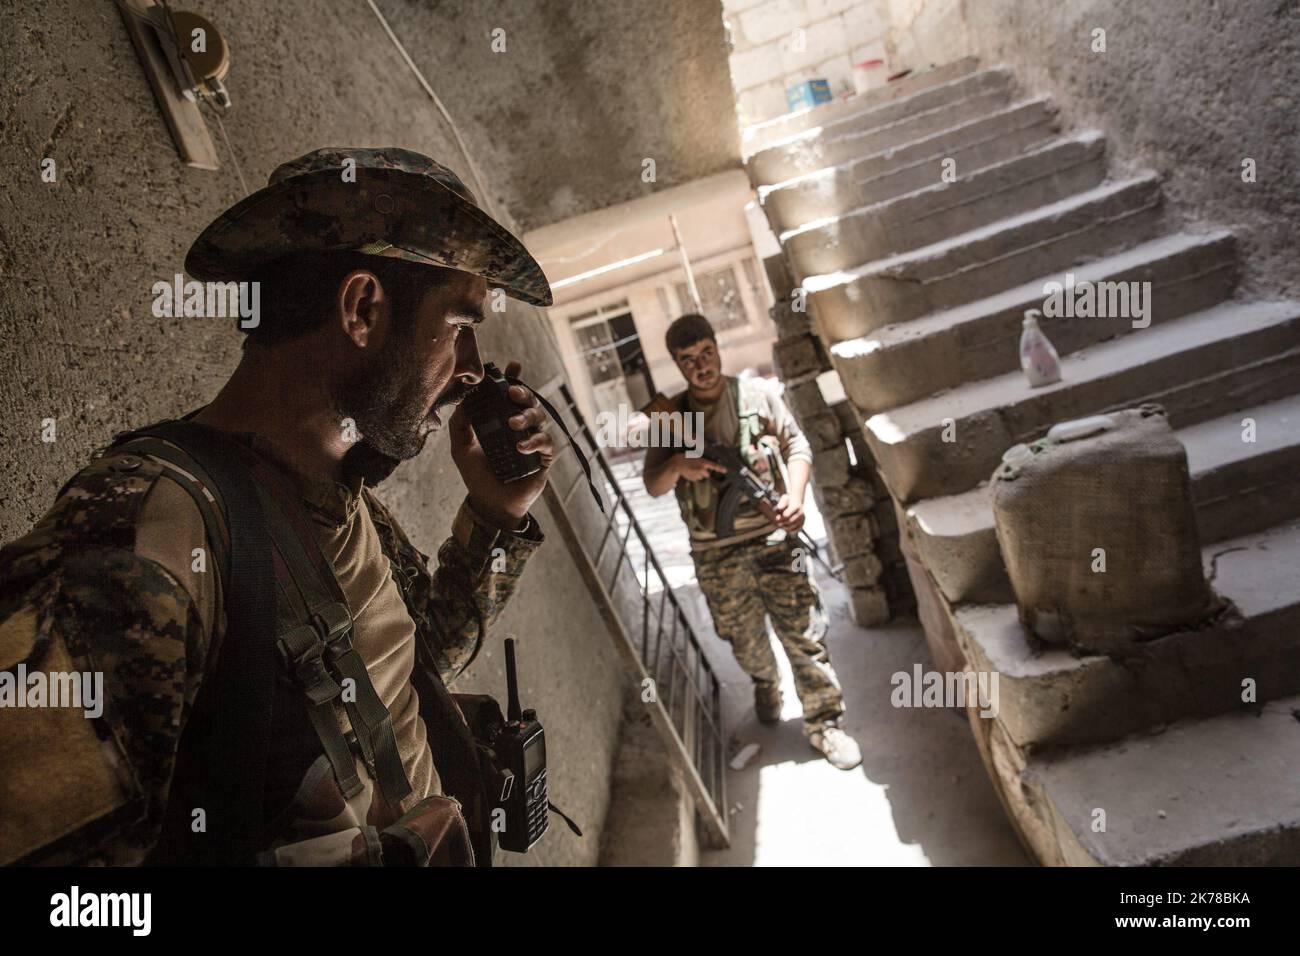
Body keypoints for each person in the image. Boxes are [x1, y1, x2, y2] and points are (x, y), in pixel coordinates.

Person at [0, 147, 558, 865]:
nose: (474, 368)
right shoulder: (140, 547)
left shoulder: (342, 502)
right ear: (362, 309)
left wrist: (494, 514)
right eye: (458, 325)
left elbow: (412, 665)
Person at [643, 314, 861, 770]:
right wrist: (678, 465)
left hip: (775, 541)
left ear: (717, 349)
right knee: (745, 642)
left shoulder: (757, 396)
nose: (701, 367)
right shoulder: (671, 419)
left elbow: (797, 445)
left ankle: (825, 723)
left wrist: (796, 500)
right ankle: (766, 683)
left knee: (804, 634)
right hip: (716, 554)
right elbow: (653, 484)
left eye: (706, 353)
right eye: (689, 360)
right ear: (678, 366)